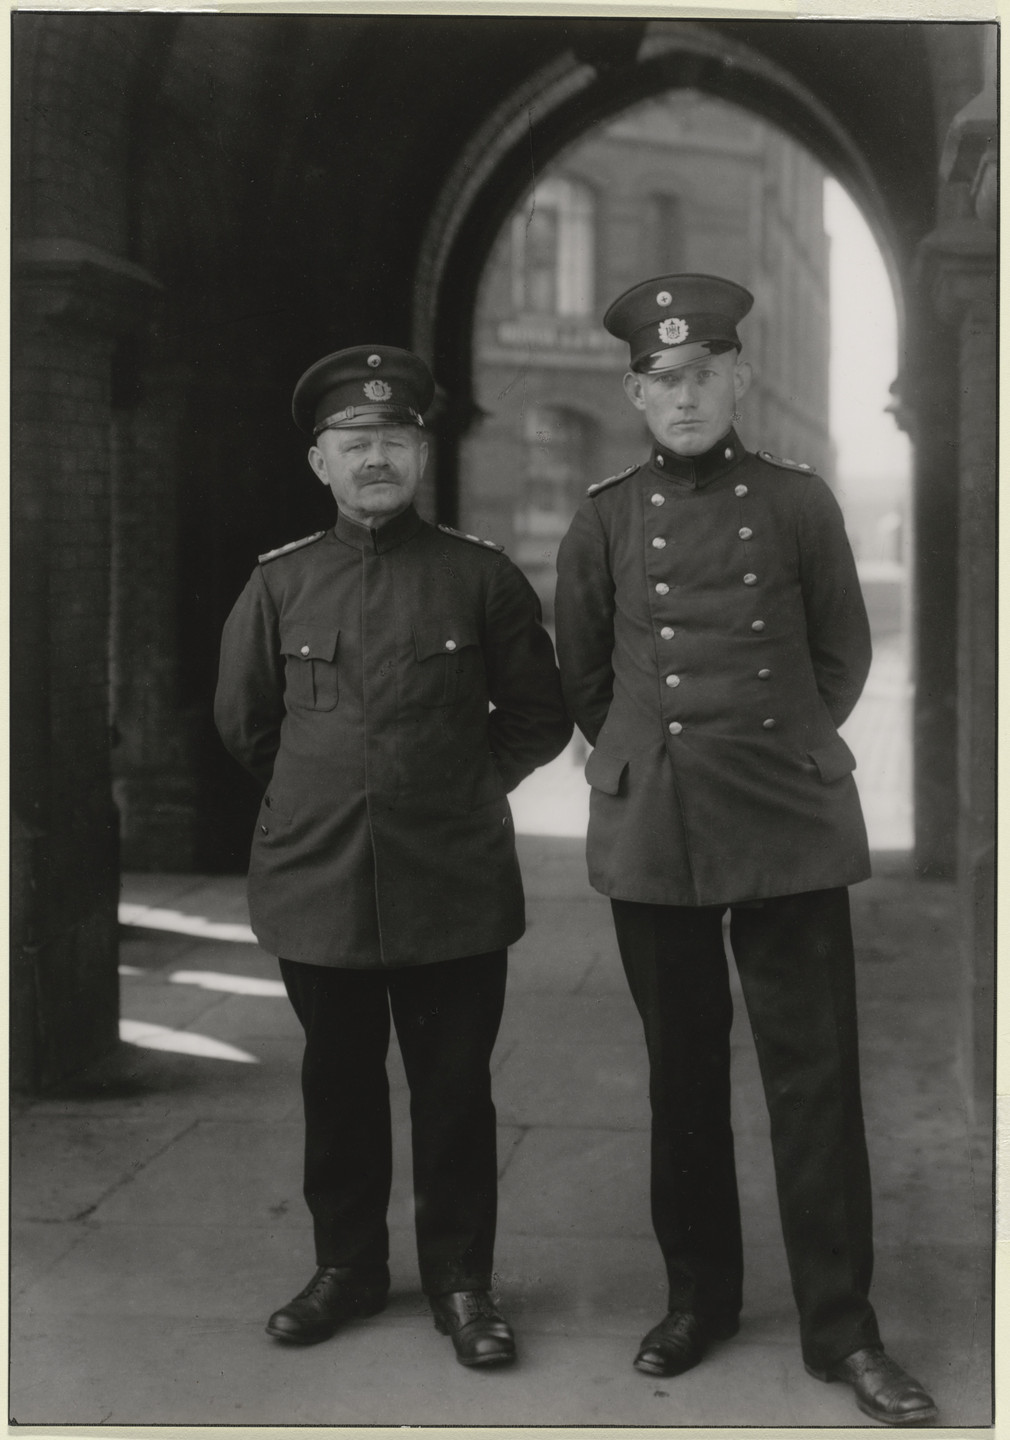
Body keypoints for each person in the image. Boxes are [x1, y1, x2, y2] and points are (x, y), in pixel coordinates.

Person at [554, 275, 937, 1426]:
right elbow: (582, 674)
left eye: (703, 374)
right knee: (680, 1079)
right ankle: (697, 1301)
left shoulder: (797, 503)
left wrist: (779, 749)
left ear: (738, 378)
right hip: (658, 825)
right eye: (662, 380)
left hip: (785, 815)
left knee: (814, 1083)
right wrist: (644, 753)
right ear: (632, 392)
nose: (684, 396)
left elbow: (838, 657)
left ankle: (841, 1329)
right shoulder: (604, 517)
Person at [215, 344, 571, 1369]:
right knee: (337, 1084)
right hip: (318, 880)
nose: (376, 459)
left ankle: (461, 1283)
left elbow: (538, 716)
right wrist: (318, 797)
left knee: (454, 1090)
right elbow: (244, 722)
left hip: (451, 881)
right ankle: (347, 1269)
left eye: (395, 440)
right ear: (319, 463)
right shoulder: (279, 585)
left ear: (423, 454)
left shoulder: (481, 578)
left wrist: (461, 791)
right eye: (353, 443)